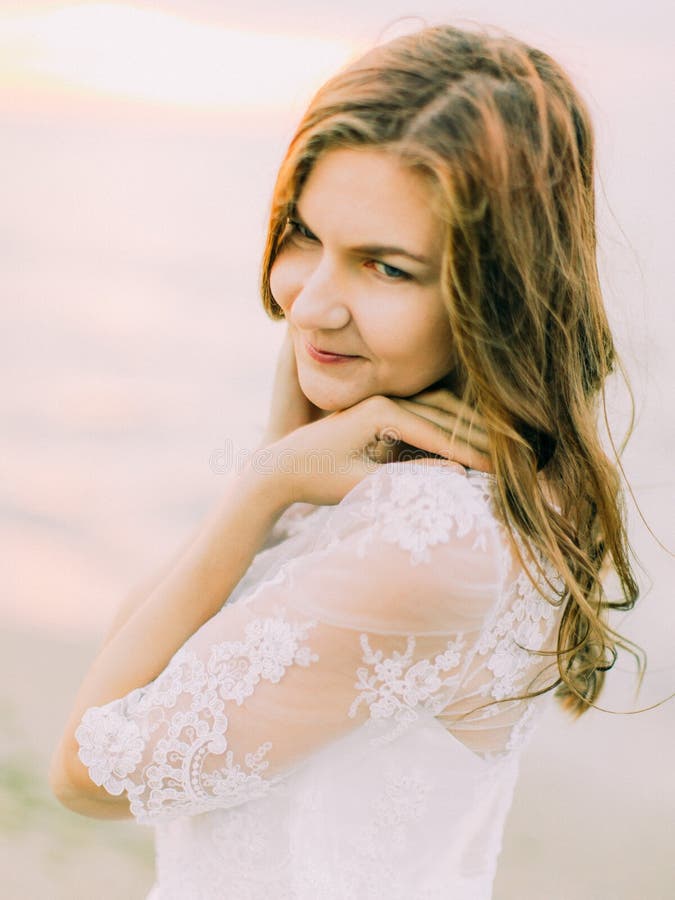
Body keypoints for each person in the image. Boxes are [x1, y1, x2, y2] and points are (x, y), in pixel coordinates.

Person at [49, 22, 647, 899]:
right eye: (304, 234)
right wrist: (280, 455)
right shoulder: (467, 478)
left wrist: (266, 484)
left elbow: (84, 771)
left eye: (385, 268)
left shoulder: (430, 534)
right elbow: (144, 656)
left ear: (496, 292)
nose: (311, 304)